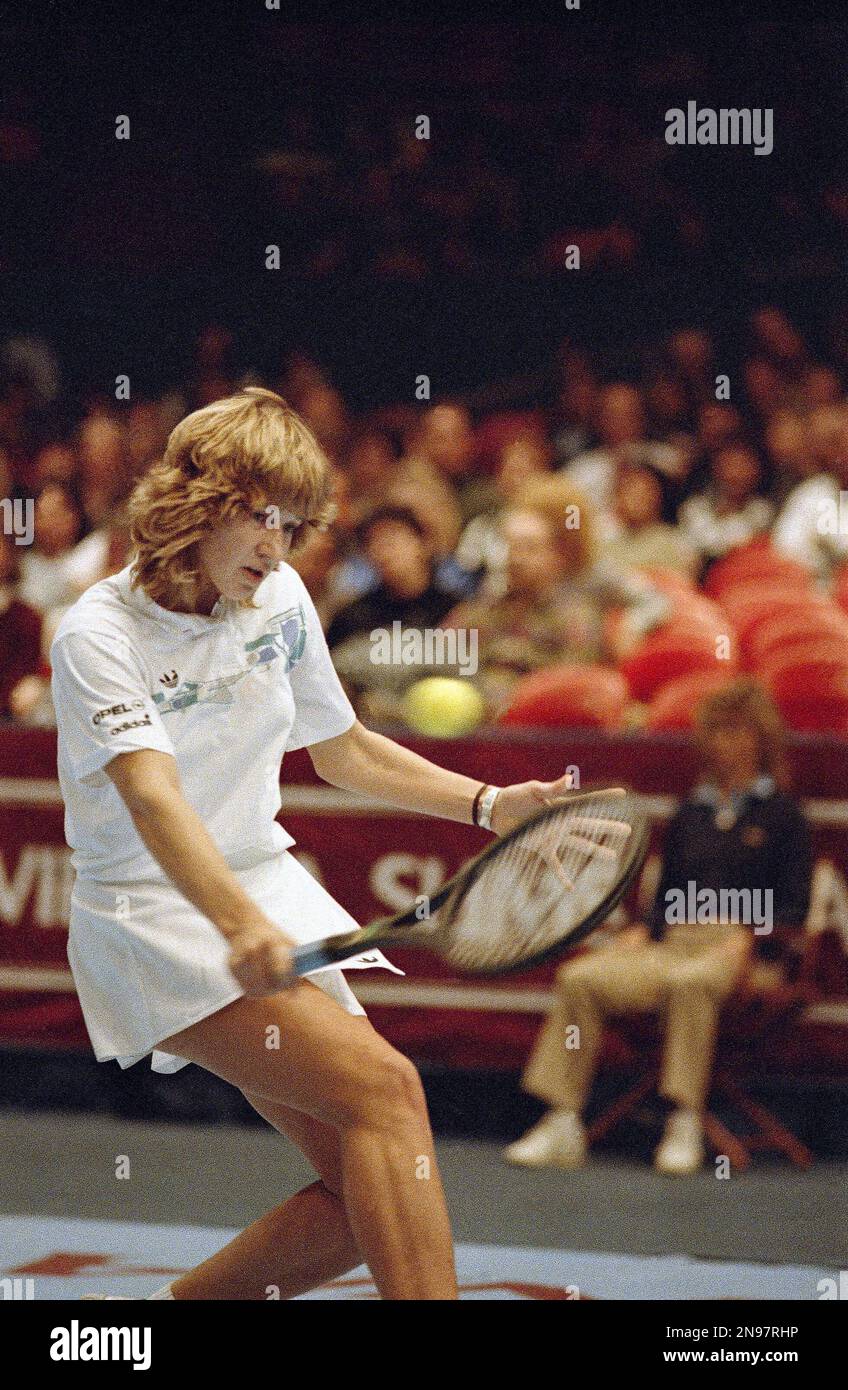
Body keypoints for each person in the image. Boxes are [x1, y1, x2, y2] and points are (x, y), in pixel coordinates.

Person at [51, 386, 576, 1300]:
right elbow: (152, 796)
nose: (278, 547)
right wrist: (235, 922)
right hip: (154, 909)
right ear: (198, 500)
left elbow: (343, 749)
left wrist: (490, 804)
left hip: (259, 882)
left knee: (358, 1186)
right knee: (387, 1093)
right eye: (261, 518)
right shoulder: (98, 633)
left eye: (293, 527)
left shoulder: (282, 596)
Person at [504, 678, 812, 1176]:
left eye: (741, 734)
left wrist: (749, 937)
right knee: (582, 978)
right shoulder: (691, 811)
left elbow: (796, 908)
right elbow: (666, 893)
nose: (728, 745)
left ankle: (683, 1119)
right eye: (720, 733)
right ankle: (561, 1119)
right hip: (673, 945)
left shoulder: (785, 816)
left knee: (691, 985)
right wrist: (645, 930)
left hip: (746, 954)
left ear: (762, 740)